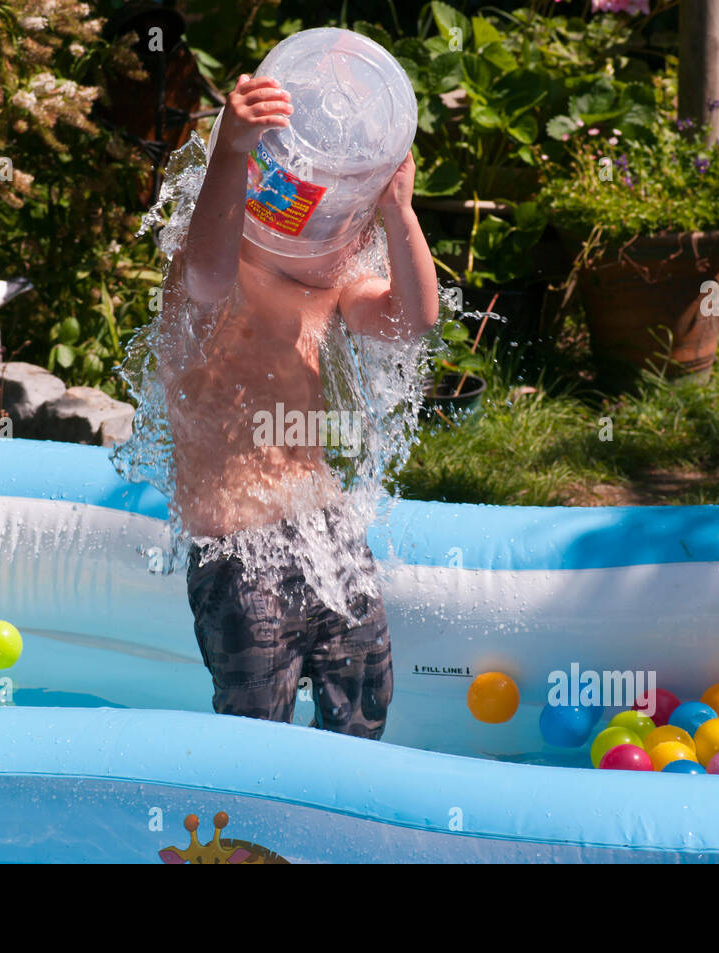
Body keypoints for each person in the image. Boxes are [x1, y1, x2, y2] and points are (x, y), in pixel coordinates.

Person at [158, 73, 439, 739]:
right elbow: (207, 269)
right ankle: (245, 842)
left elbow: (412, 320)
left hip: (327, 528)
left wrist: (402, 211)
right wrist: (231, 150)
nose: (351, 237)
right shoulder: (217, 271)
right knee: (257, 730)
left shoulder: (328, 289)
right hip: (237, 548)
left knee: (366, 703)